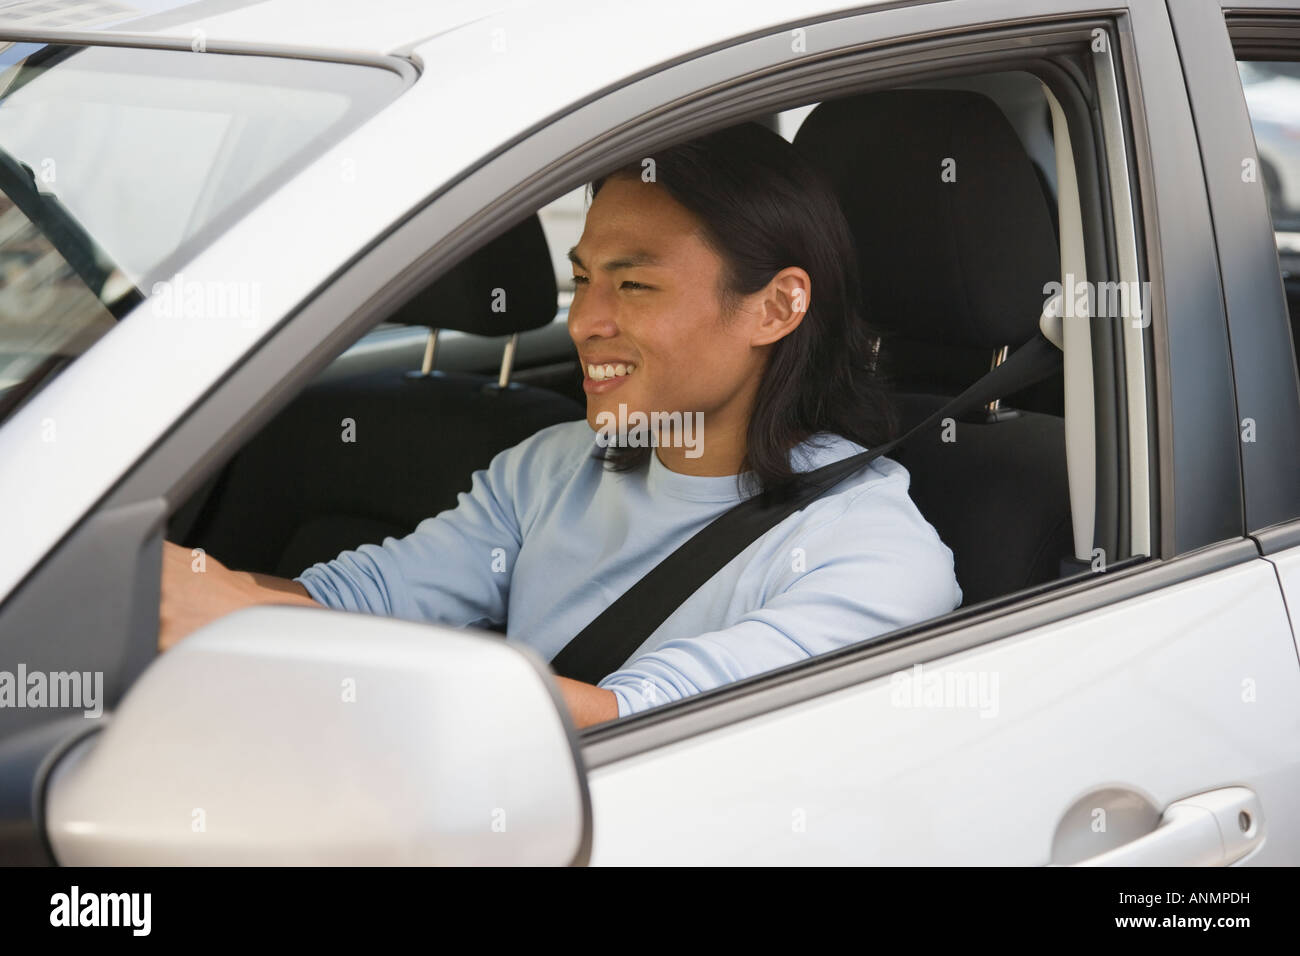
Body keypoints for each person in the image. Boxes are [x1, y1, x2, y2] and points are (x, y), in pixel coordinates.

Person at [158, 122, 962, 729]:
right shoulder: (555, 465)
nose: (586, 321)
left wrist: (253, 624)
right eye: (581, 280)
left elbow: (638, 722)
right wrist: (171, 587)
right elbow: (366, 597)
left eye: (634, 286)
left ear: (777, 306)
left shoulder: (872, 555)